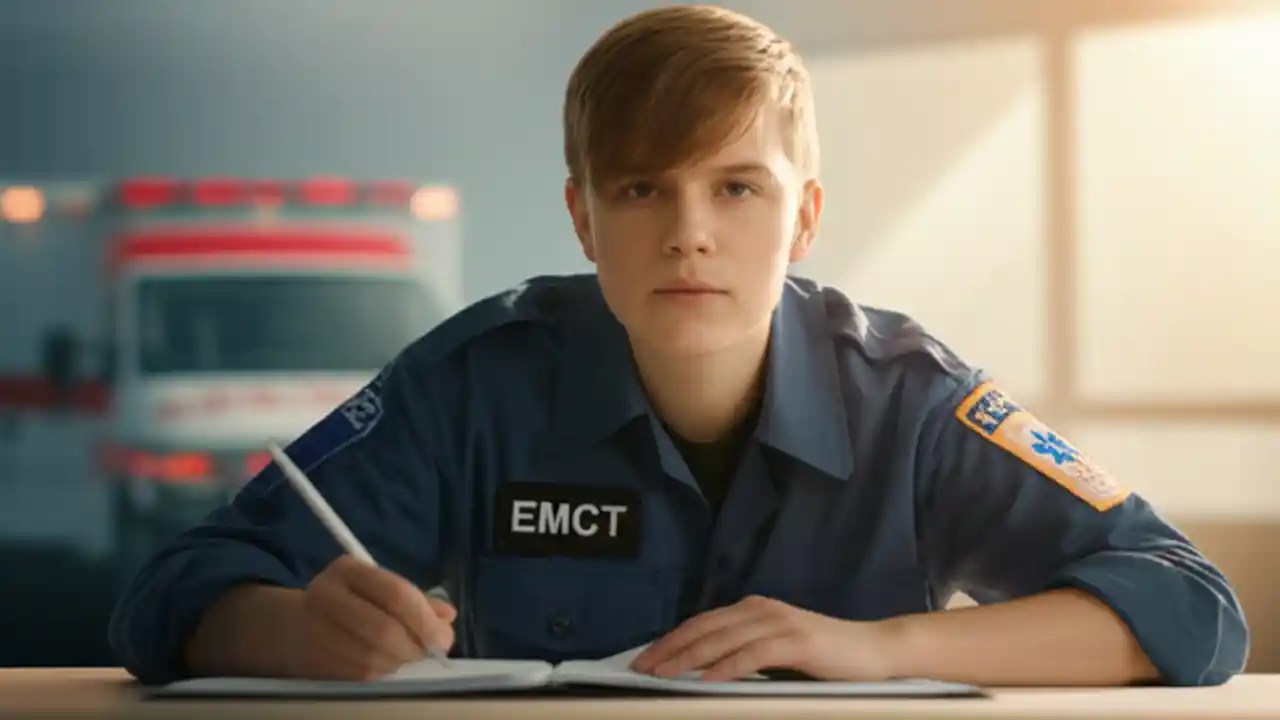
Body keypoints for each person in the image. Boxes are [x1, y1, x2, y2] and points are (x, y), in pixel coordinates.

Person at [109, 4, 1248, 687]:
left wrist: (887, 649)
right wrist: (293, 631)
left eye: (737, 187)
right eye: (642, 187)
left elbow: (1191, 611)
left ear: (803, 218)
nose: (690, 232)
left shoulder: (911, 401)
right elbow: (170, 596)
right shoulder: (474, 383)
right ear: (582, 219)